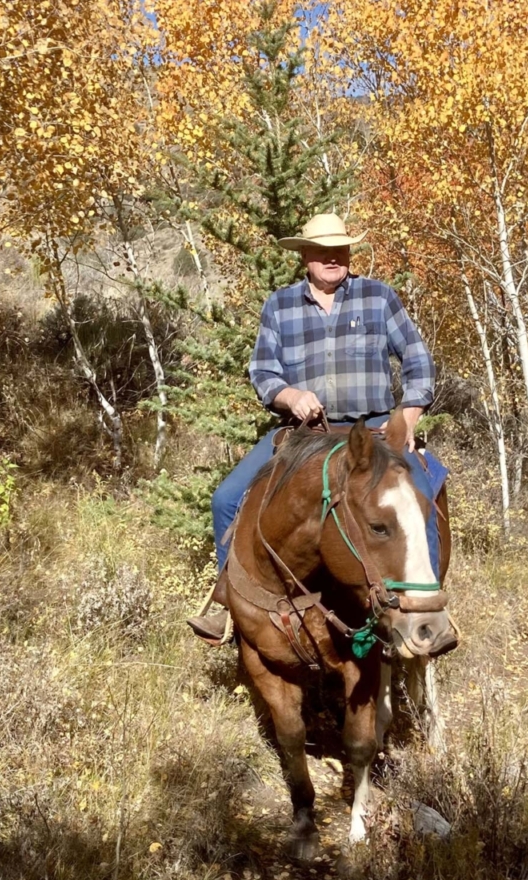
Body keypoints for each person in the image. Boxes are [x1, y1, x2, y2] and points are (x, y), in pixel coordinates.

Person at [187, 212, 447, 642]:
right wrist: (290, 396)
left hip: (376, 433)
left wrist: (409, 415)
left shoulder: (378, 298)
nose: (333, 258)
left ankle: (428, 610)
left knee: (422, 497)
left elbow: (418, 360)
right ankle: (230, 609)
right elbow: (264, 372)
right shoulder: (279, 305)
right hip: (306, 436)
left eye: (340, 250)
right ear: (304, 256)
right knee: (227, 499)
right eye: (323, 251)